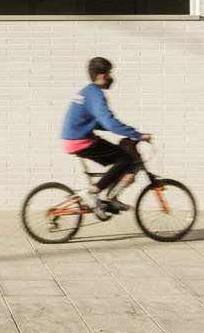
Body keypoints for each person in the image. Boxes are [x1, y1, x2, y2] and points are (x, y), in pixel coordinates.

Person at [59, 56, 149, 218]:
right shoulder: (95, 93)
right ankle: (93, 192)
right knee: (125, 159)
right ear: (102, 75)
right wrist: (137, 135)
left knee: (120, 159)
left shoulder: (86, 92)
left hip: (74, 139)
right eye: (109, 73)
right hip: (80, 141)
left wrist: (127, 131)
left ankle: (111, 198)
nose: (111, 77)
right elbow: (109, 123)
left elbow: (98, 122)